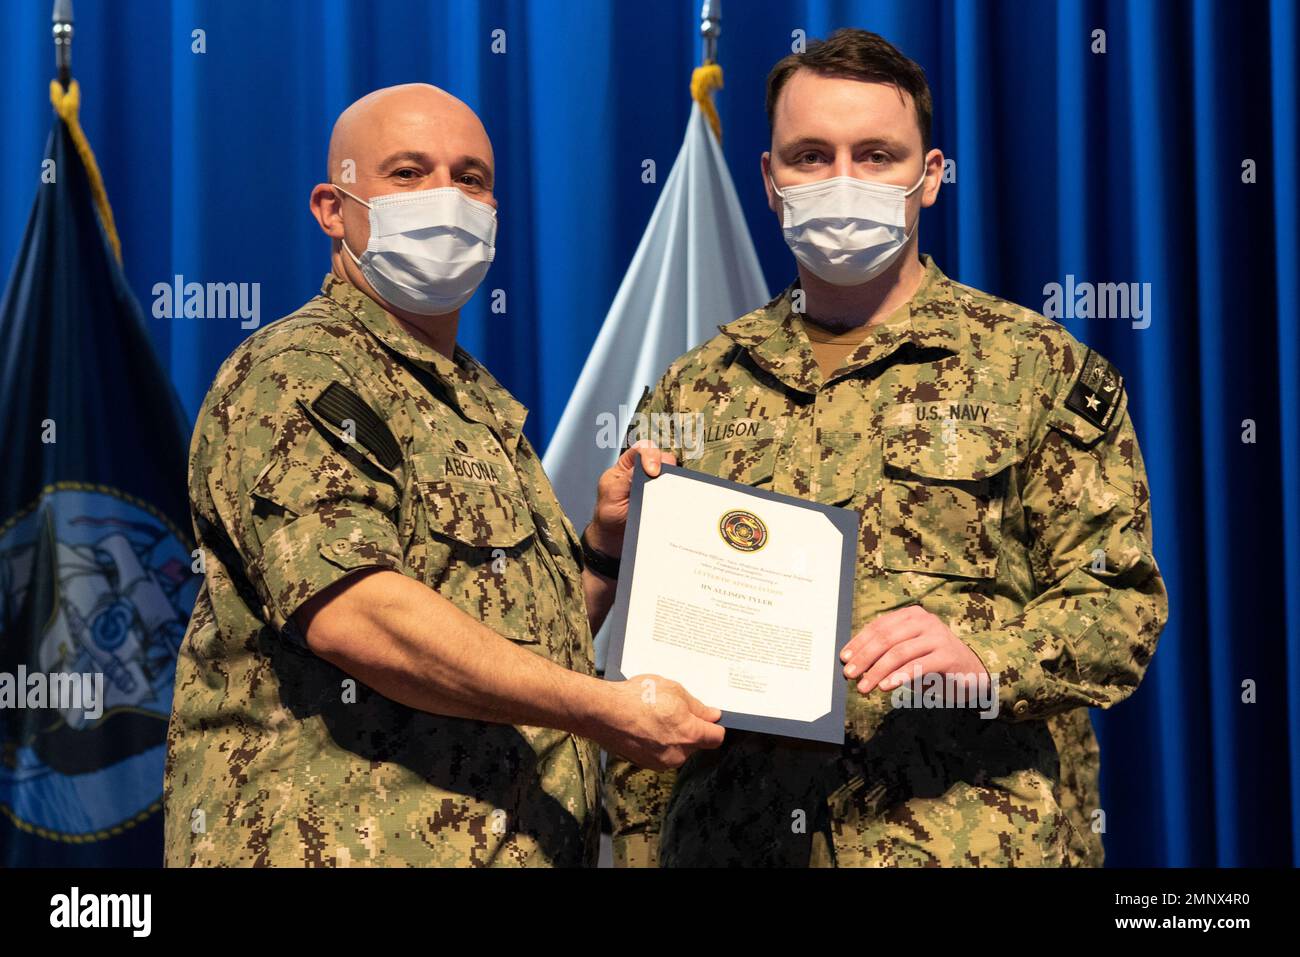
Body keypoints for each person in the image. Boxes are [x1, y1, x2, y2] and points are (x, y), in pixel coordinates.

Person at [603, 29, 1167, 867]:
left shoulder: (1039, 369)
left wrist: (986, 653)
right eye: (809, 155)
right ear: (770, 181)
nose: (841, 181)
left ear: (929, 176)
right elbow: (650, 662)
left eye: (875, 155)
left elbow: (1121, 607)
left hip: (962, 844)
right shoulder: (693, 391)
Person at [163, 83, 723, 868]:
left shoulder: (471, 398)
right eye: (407, 172)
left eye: (470, 178)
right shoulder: (297, 372)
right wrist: (604, 709)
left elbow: (511, 643)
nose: (445, 198)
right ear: (332, 206)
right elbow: (354, 611)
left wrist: (600, 554)